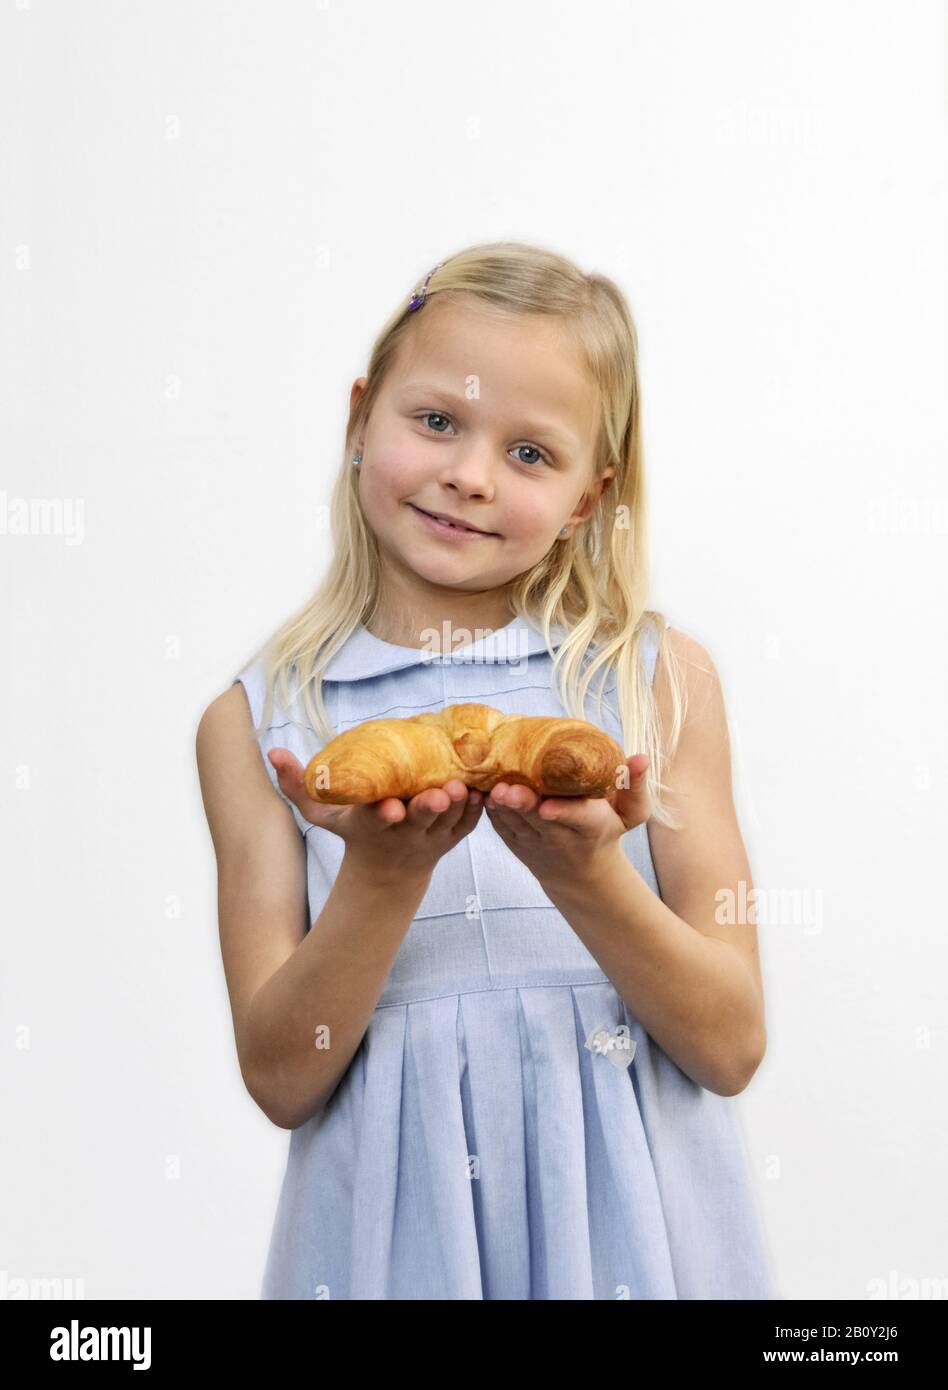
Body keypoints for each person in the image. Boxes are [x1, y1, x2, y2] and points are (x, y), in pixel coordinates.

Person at [195, 240, 777, 1300]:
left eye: (530, 454)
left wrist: (588, 876)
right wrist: (376, 882)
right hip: (395, 1250)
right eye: (436, 422)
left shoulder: (653, 687)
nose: (469, 472)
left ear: (591, 496)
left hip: (634, 1254)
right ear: (360, 417)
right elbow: (285, 1074)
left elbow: (730, 1046)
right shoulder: (264, 726)